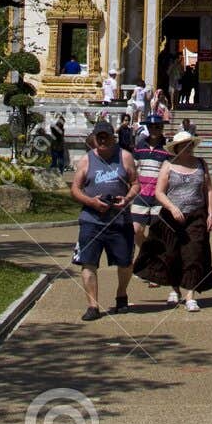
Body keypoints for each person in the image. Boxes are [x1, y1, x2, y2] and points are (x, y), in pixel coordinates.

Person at [134, 129, 212, 309]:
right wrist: (172, 207)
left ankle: (190, 294)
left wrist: (211, 212)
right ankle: (175, 289)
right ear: (177, 148)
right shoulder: (168, 165)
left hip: (196, 215)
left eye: (190, 145)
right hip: (171, 217)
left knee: (194, 253)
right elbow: (159, 192)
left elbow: (208, 189)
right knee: (171, 253)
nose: (187, 148)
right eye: (183, 146)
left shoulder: (201, 164)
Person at [70, 119, 138, 322]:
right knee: (88, 263)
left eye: (106, 137)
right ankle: (92, 305)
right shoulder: (87, 160)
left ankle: (121, 294)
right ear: (94, 139)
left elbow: (136, 183)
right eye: (98, 137)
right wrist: (91, 202)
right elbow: (75, 189)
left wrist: (126, 199)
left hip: (120, 219)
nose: (102, 140)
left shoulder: (125, 157)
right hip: (92, 219)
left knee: (125, 262)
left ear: (112, 137)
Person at [131, 114, 170, 265]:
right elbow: (133, 168)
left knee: (156, 231)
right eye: (152, 126)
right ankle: (147, 253)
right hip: (141, 193)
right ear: (147, 127)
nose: (154, 129)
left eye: (158, 127)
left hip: (159, 194)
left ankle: (154, 263)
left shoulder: (167, 148)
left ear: (162, 128)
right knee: (136, 230)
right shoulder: (140, 146)